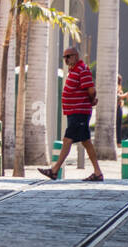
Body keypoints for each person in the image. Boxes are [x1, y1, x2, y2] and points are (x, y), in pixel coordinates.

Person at [39, 46, 105, 182]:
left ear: (76, 56)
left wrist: (92, 101)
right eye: (64, 57)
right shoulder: (73, 71)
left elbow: (91, 90)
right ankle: (97, 172)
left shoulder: (82, 70)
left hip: (79, 111)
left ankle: (54, 170)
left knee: (68, 140)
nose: (66, 59)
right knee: (86, 142)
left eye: (68, 56)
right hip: (75, 112)